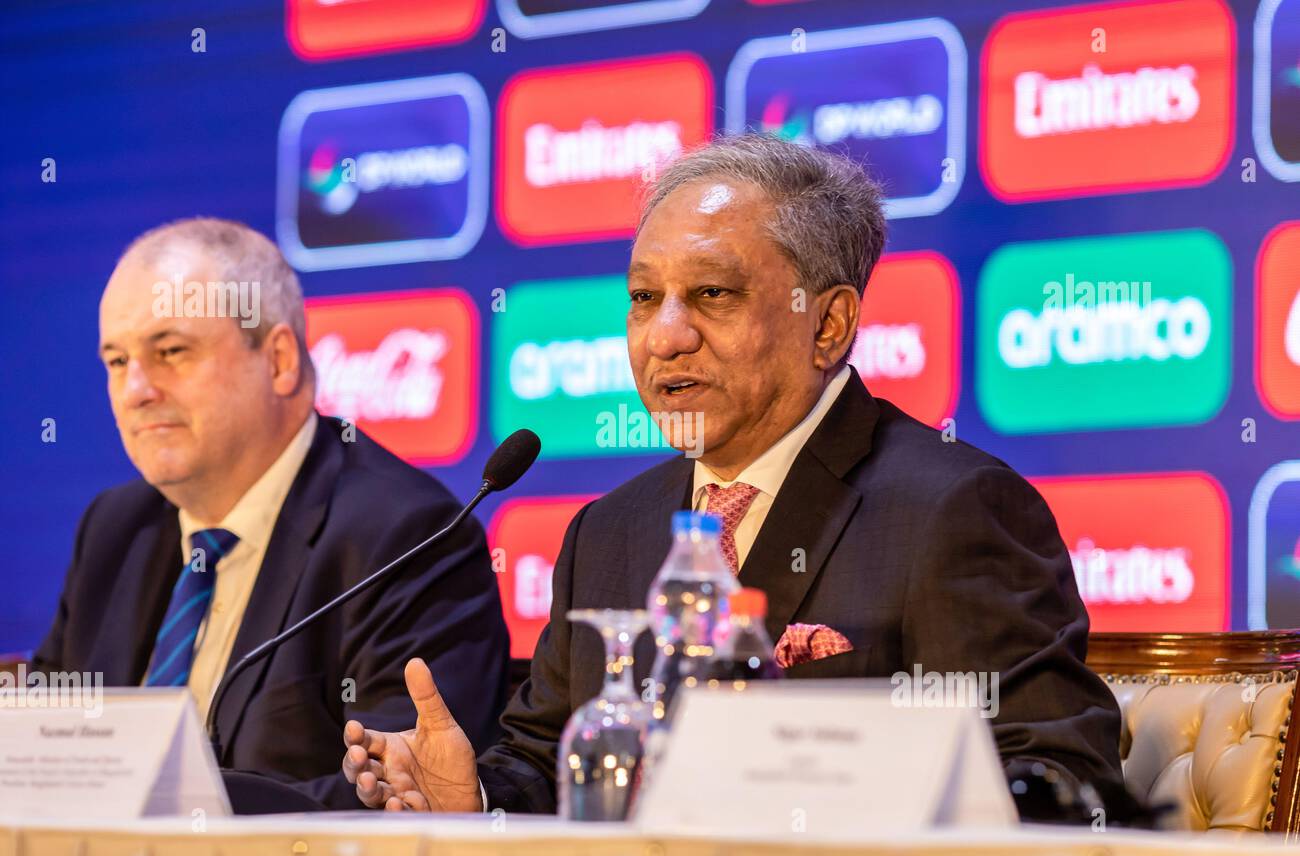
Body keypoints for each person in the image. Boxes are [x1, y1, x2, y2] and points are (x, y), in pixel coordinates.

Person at [341, 134, 1124, 815]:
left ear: (829, 323)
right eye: (645, 298)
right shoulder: (608, 532)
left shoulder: (952, 510)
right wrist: (470, 796)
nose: (665, 337)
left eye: (711, 294)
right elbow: (544, 765)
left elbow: (1059, 781)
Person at [35, 218, 510, 809]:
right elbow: (46, 747)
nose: (136, 389)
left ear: (280, 358)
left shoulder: (407, 539)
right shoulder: (114, 528)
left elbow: (403, 796)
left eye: (172, 352)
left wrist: (165, 807)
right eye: (116, 361)